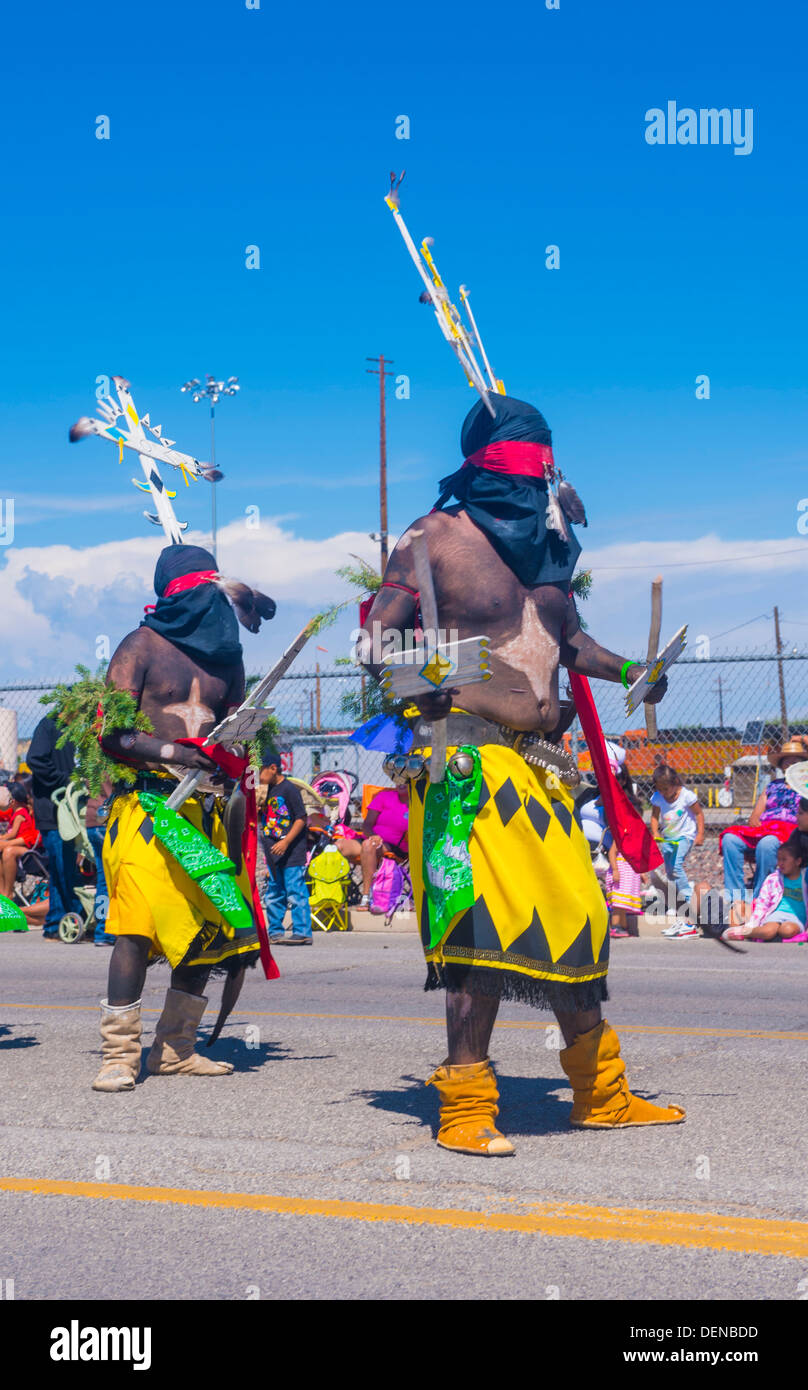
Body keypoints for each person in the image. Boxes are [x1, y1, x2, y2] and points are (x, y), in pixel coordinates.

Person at [361, 392, 684, 1156]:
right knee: (477, 933)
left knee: (576, 918)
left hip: (541, 773)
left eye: (546, 456)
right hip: (465, 761)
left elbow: (569, 644)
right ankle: (466, 1105)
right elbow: (376, 641)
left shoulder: (546, 551)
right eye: (523, 455)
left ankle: (600, 1095)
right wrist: (417, 680)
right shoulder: (431, 536)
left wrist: (636, 671)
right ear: (484, 461)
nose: (537, 472)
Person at [90, 543, 277, 1092]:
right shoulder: (140, 646)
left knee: (201, 933)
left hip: (206, 813)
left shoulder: (229, 659)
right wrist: (178, 754)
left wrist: (233, 765)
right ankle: (119, 1055)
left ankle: (174, 1050)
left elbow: (239, 731)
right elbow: (110, 731)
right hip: (148, 808)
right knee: (134, 930)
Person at [720, 740, 806, 906]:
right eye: (787, 761)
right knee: (730, 839)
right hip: (766, 828)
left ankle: (759, 898)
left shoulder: (805, 787)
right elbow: (755, 818)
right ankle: (736, 898)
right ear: (781, 765)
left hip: (791, 831)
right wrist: (760, 827)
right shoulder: (772, 786)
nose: (790, 764)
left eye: (795, 761)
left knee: (767, 844)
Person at [26, 714, 82, 939]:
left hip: (69, 807)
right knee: (63, 867)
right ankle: (69, 917)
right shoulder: (49, 725)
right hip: (53, 808)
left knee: (62, 869)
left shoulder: (77, 730)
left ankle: (55, 924)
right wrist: (65, 780)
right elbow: (35, 759)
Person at [259, 749, 312, 945]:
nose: (257, 776)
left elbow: (301, 818)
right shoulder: (264, 791)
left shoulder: (289, 789)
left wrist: (286, 841)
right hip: (272, 851)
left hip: (291, 852)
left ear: (273, 768)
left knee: (295, 890)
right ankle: (275, 931)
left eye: (260, 771)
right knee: (274, 892)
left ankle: (303, 931)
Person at [723, 833, 808, 943]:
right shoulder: (773, 879)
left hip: (797, 917)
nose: (780, 863)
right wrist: (752, 923)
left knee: (787, 930)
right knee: (768, 931)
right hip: (776, 914)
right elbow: (762, 904)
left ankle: (774, 935)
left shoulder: (805, 878)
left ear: (798, 861)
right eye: (778, 859)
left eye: (784, 860)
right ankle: (744, 932)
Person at [650, 764, 704, 936]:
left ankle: (689, 898)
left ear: (675, 782)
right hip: (668, 838)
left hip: (685, 837)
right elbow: (654, 816)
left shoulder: (687, 796)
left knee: (677, 866)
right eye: (661, 789)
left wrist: (700, 834)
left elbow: (699, 814)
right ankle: (678, 906)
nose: (665, 793)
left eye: (666, 789)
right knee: (670, 872)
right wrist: (655, 831)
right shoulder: (658, 797)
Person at [336, 782, 409, 907]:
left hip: (395, 847)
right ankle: (335, 895)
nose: (401, 783)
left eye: (405, 781)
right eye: (398, 779)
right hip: (371, 839)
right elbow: (367, 825)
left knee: (368, 846)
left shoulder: (417, 803)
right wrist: (373, 836)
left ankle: (366, 896)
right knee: (337, 846)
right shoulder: (384, 796)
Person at [605, 762, 645, 939]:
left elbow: (637, 855)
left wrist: (642, 872)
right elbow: (612, 852)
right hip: (620, 870)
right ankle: (616, 926)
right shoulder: (621, 834)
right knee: (619, 902)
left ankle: (623, 926)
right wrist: (614, 869)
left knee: (624, 900)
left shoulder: (633, 836)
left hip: (629, 871)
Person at [85, 781, 115, 947]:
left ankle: (102, 931)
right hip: (106, 818)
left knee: (103, 878)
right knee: (110, 879)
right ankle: (105, 931)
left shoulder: (91, 757)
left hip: (93, 820)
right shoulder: (115, 758)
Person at [0, 782, 39, 899]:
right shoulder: (17, 811)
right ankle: (2, 894)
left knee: (7, 850)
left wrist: (3, 840)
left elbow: (18, 835)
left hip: (30, 851)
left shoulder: (22, 813)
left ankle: (7, 895)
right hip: (22, 845)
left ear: (14, 800)